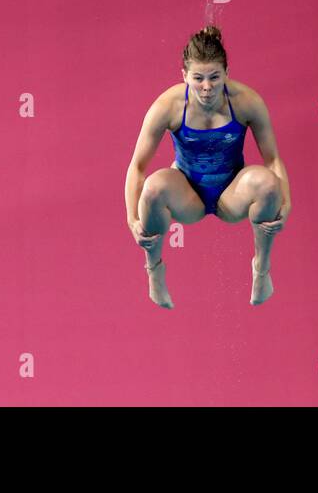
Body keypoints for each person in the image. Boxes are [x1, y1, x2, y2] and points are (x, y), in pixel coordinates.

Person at [124, 26, 291, 308]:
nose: (206, 87)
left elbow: (272, 159)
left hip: (232, 192)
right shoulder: (168, 106)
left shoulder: (248, 102)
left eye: (215, 77)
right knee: (152, 189)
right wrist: (131, 218)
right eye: (198, 78)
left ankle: (261, 269)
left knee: (267, 183)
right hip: (188, 193)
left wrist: (286, 203)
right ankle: (154, 270)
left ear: (227, 72)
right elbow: (137, 167)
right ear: (184, 76)